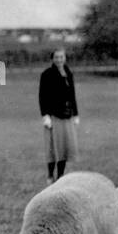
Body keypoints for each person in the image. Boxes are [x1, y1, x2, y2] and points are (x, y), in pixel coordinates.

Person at [38, 48, 79, 182]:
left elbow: (72, 95)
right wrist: (45, 116)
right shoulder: (47, 74)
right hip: (53, 116)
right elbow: (42, 96)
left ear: (64, 58)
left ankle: (60, 176)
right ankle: (50, 175)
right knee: (53, 148)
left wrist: (76, 114)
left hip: (67, 115)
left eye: (61, 57)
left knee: (64, 148)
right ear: (52, 58)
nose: (59, 60)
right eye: (56, 57)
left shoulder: (68, 73)